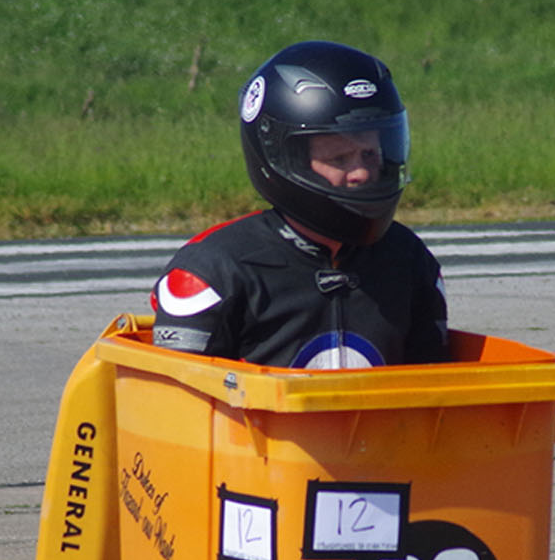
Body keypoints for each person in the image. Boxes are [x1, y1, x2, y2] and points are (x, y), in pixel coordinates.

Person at [149, 41, 448, 369]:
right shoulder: (213, 271)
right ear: (285, 160)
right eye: (339, 158)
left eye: (370, 154)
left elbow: (435, 389)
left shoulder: (409, 259)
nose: (361, 173)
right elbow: (175, 405)